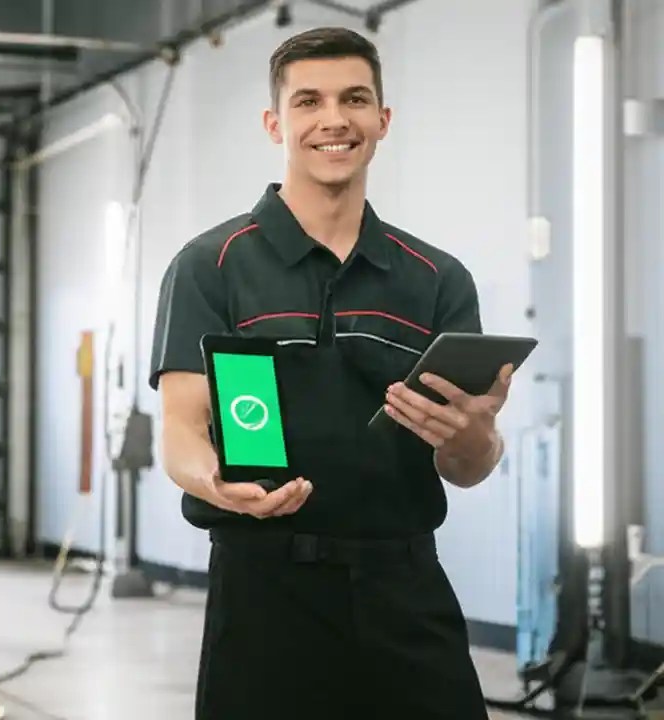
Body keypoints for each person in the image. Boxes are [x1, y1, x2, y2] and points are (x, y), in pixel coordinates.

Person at [148, 26, 514, 720]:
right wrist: (215, 483)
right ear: (274, 123)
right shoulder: (211, 265)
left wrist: (475, 434)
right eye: (308, 101)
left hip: (404, 587)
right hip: (263, 594)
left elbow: (468, 465)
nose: (333, 119)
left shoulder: (436, 278)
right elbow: (180, 425)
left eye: (354, 98)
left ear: (383, 119)